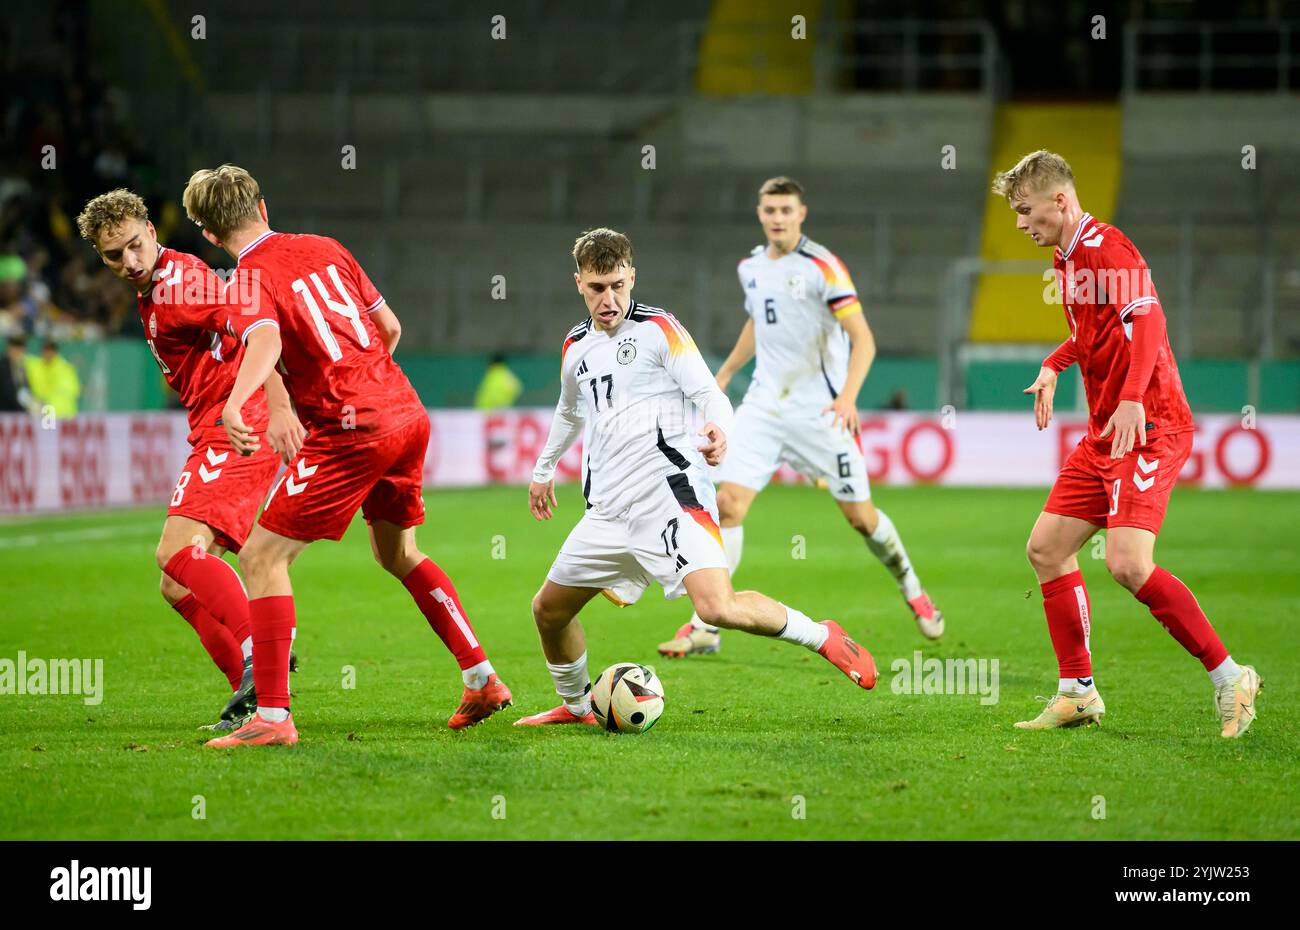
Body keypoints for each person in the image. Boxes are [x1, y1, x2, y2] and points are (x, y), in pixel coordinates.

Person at [180, 165, 510, 746]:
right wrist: (366, 381)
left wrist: (237, 404)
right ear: (262, 202)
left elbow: (265, 340)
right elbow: (389, 326)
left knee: (261, 557)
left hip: (350, 430)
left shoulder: (246, 278)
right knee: (399, 552)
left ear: (208, 235)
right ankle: (481, 676)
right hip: (406, 413)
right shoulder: (325, 246)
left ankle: (274, 719)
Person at [517, 228, 878, 727]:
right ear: (579, 282)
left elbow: (711, 397)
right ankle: (578, 708)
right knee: (549, 610)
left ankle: (824, 636)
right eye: (598, 287)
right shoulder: (575, 346)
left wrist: (719, 431)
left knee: (716, 607)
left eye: (619, 284)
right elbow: (569, 409)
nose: (610, 298)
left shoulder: (659, 329)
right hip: (607, 511)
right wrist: (543, 470)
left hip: (669, 496)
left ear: (632, 277)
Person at [1000, 150, 1260, 737]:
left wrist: (1135, 396)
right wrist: (1054, 363)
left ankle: (1231, 677)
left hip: (1148, 428)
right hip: (1107, 434)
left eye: (1025, 210)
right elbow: (1091, 333)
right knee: (1045, 548)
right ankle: (1077, 692)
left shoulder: (1106, 248)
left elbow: (1149, 322)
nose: (1020, 223)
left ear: (1060, 201)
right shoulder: (1069, 261)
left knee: (1126, 564)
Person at [658, 176, 942, 659]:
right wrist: (725, 372)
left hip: (821, 413)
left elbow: (864, 339)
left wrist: (849, 397)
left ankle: (912, 586)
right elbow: (758, 321)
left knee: (861, 519)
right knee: (727, 504)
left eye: (786, 210)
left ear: (801, 214)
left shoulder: (823, 267)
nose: (777, 218)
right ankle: (705, 625)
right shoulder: (750, 266)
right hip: (765, 408)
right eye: (770, 209)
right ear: (760, 213)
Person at [76, 188, 287, 729]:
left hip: (236, 425)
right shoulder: (156, 288)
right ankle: (250, 705)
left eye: (134, 245)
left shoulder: (180, 282)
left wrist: (278, 407)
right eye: (113, 256)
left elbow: (258, 331)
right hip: (217, 426)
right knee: (175, 584)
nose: (129, 262)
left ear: (151, 228)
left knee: (174, 553)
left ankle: (260, 656)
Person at [25, 339, 81, 418]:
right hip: (40, 415)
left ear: (56, 352)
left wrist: (44, 404)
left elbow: (70, 393)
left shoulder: (66, 369)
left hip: (62, 415)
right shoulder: (34, 364)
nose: (48, 353)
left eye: (51, 350)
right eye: (46, 349)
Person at [0, 333, 35, 413]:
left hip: (17, 413)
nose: (18, 352)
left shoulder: (22, 367)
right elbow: (7, 392)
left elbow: (25, 388)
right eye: (15, 348)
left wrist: (31, 403)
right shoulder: (2, 366)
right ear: (9, 348)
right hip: (4, 413)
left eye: (20, 349)